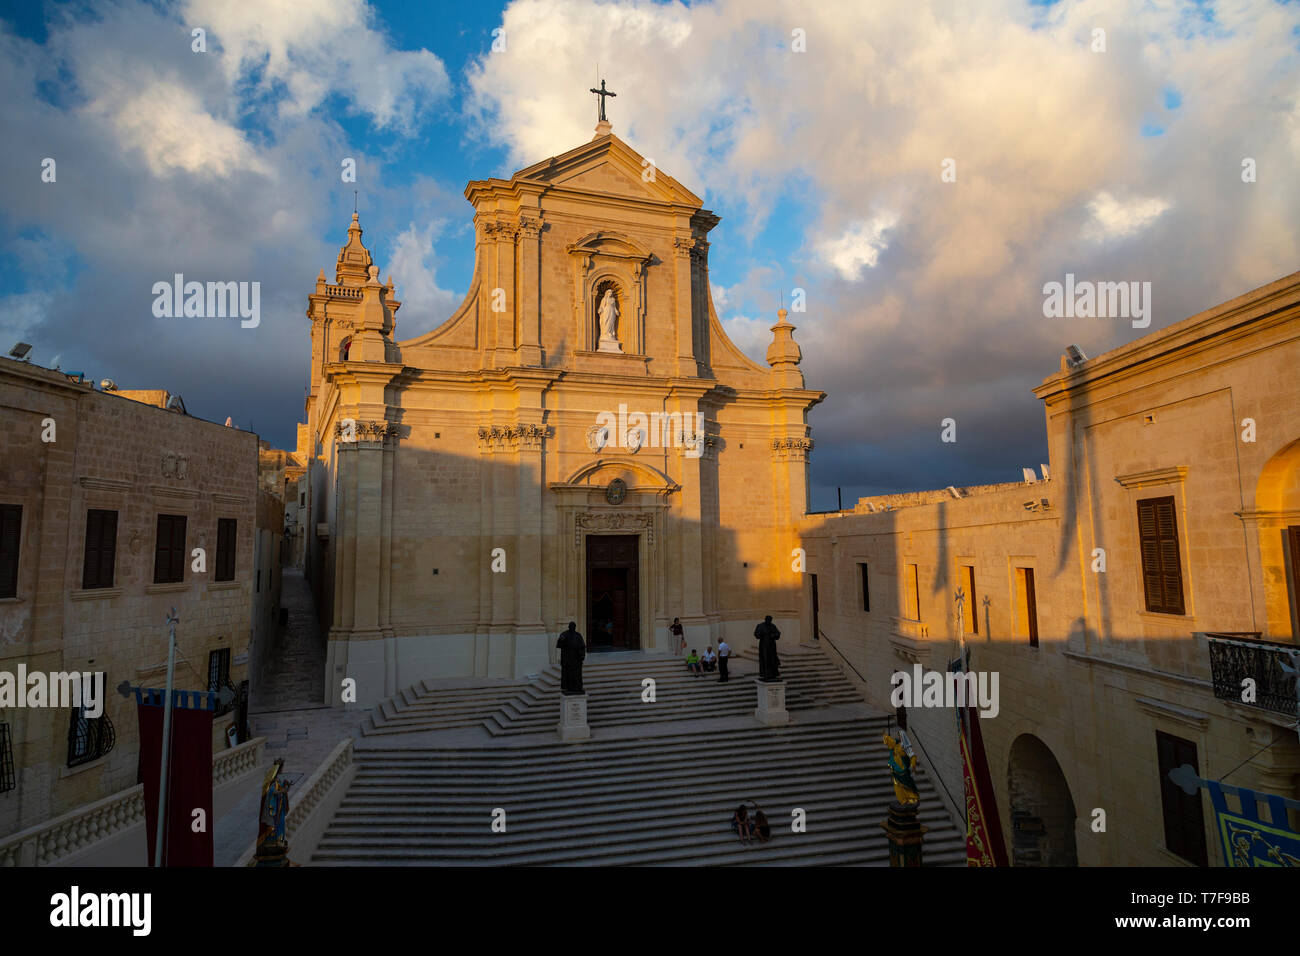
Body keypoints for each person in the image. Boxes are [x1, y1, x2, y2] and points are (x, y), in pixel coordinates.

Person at [556, 622, 586, 695]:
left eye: (573, 626)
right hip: (567, 658)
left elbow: (582, 647)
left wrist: (582, 656)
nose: (572, 627)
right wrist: (561, 640)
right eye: (571, 626)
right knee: (567, 674)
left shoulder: (578, 635)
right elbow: (559, 645)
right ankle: (568, 687)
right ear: (569, 627)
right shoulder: (564, 634)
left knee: (576, 674)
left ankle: (577, 687)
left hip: (576, 659)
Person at [755, 615, 781, 681]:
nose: (769, 621)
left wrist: (774, 635)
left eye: (770, 620)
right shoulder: (761, 626)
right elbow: (756, 634)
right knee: (765, 660)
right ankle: (765, 674)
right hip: (764, 646)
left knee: (773, 659)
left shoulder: (773, 626)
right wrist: (761, 634)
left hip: (772, 645)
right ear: (765, 619)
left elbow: (778, 633)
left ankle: (773, 674)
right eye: (768, 620)